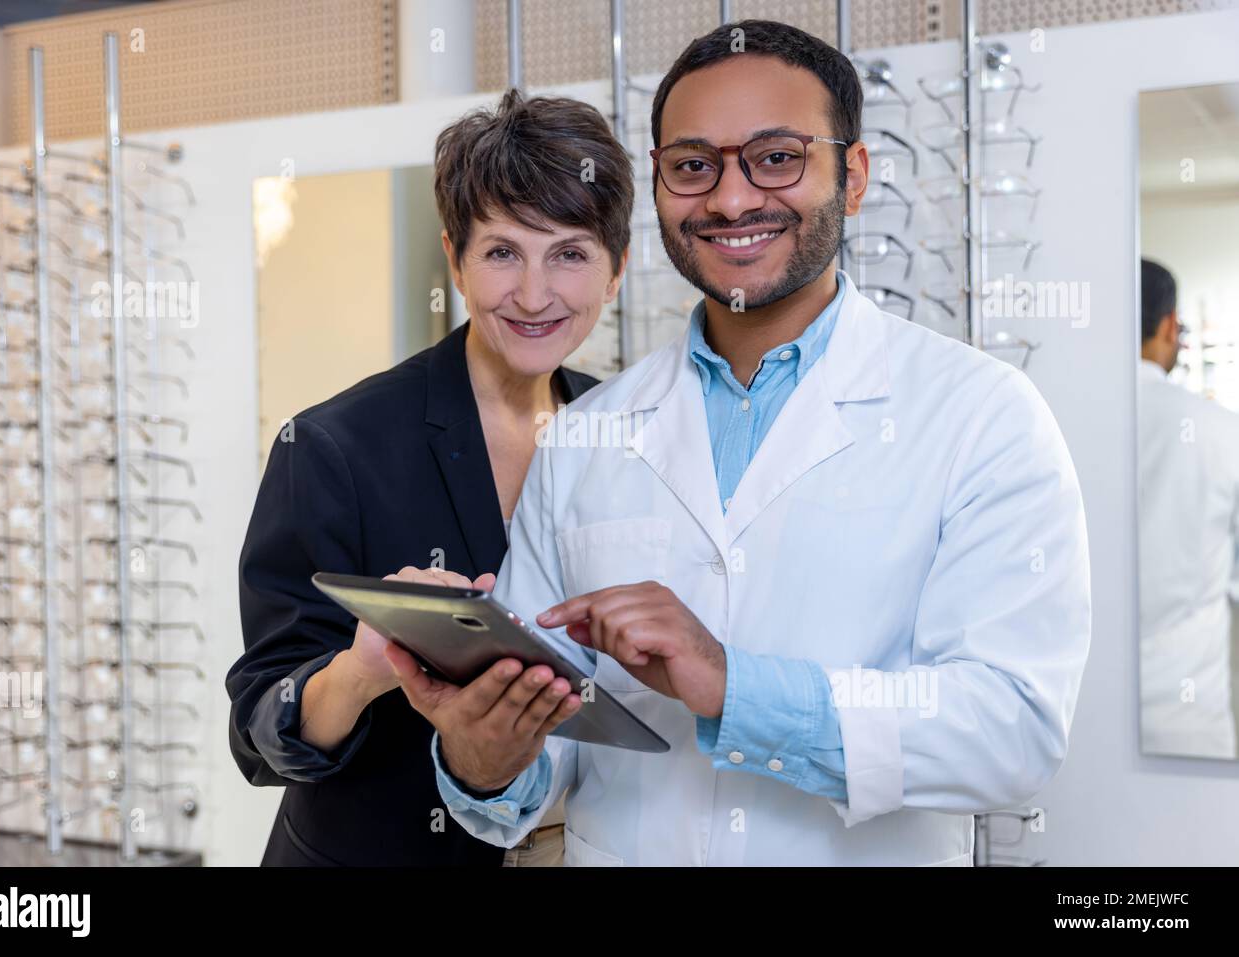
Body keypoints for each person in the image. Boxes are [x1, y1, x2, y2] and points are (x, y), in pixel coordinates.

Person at [387, 19, 1092, 866]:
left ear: (855, 175)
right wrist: (484, 756)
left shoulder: (983, 416)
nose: (728, 199)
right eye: (693, 166)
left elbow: (1013, 730)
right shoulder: (583, 437)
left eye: (777, 157)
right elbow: (545, 754)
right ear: (658, 187)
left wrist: (734, 684)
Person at [225, 89, 633, 865]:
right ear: (455, 255)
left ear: (615, 271)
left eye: (571, 253)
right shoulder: (332, 447)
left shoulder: (633, 439)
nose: (536, 294)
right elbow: (257, 728)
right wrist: (358, 670)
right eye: (503, 251)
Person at [1137, 257, 1239, 759]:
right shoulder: (1222, 432)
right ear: (1169, 324)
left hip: (1081, 722)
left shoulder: (1064, 425)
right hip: (1189, 727)